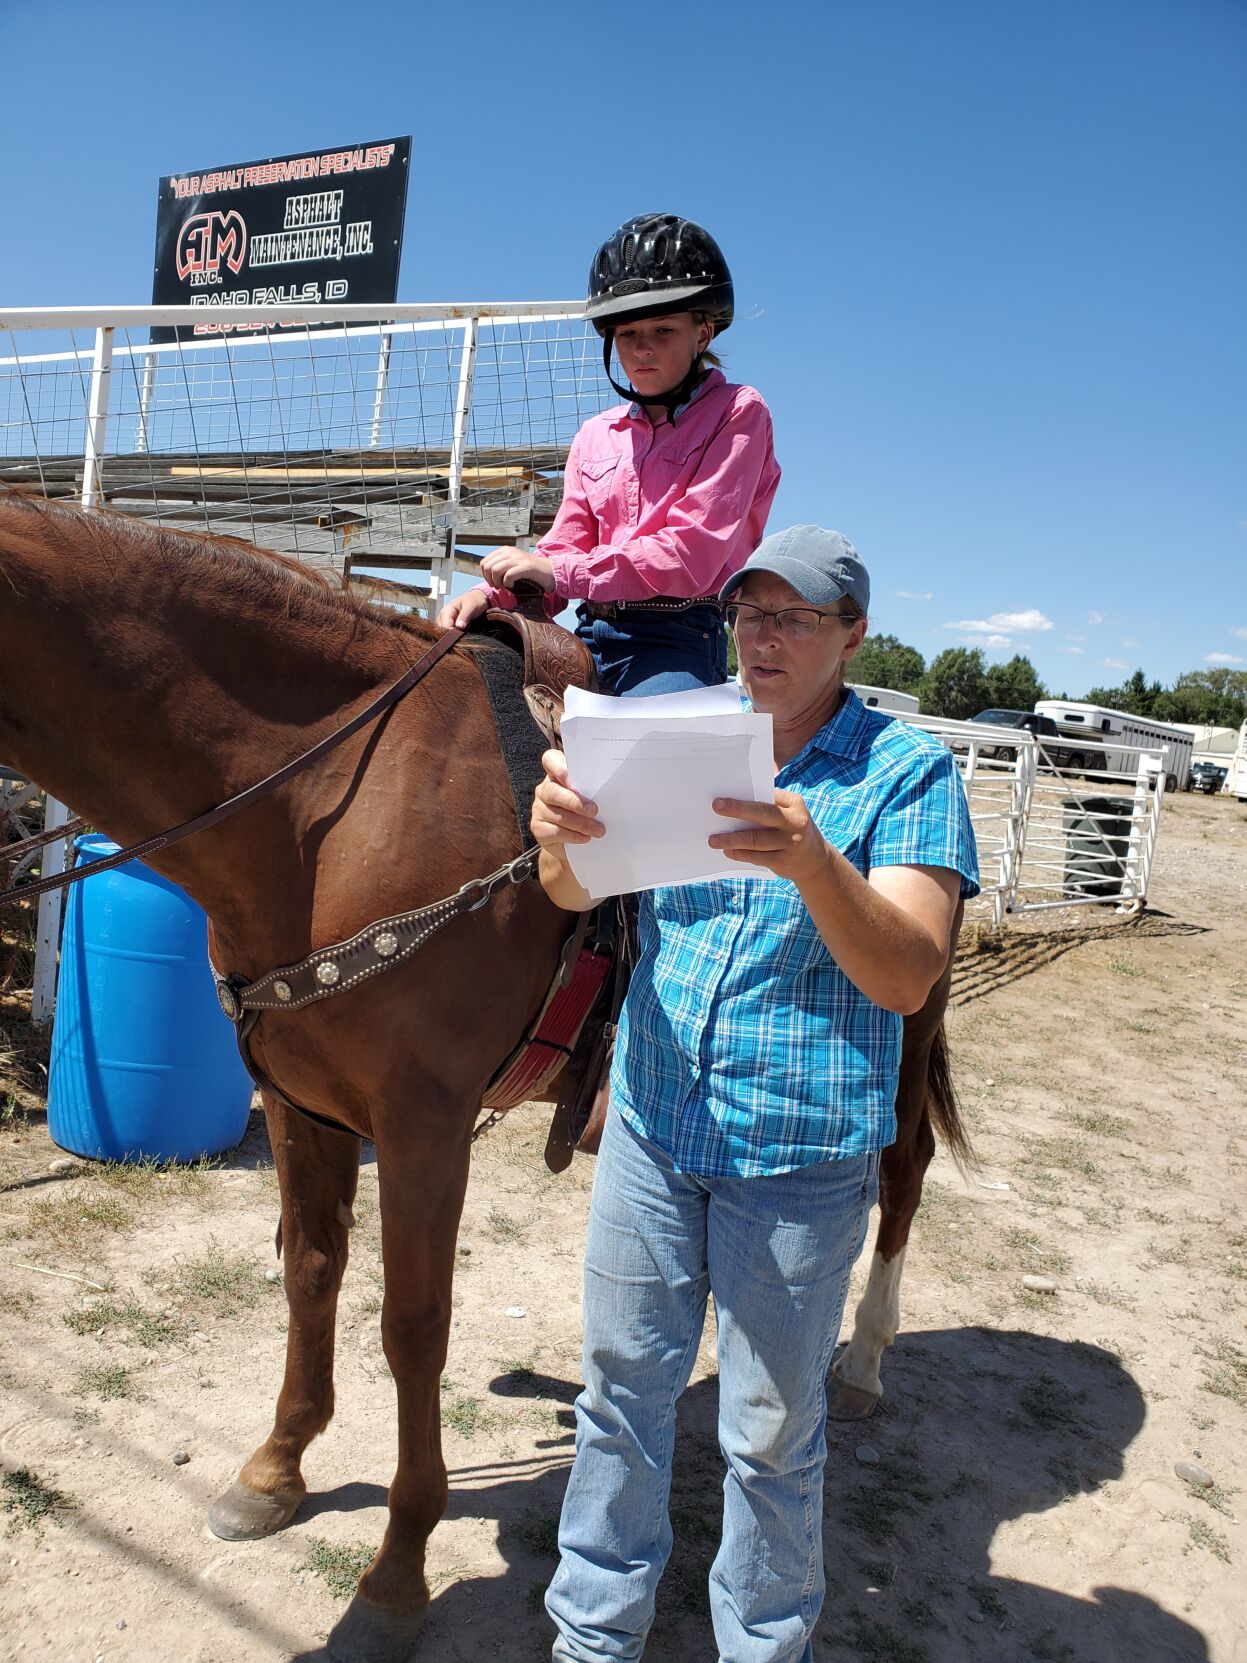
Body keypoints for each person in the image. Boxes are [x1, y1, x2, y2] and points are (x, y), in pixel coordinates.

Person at [529, 525, 980, 1662]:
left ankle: (763, 1645)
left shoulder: (904, 771)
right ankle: (591, 1635)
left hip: (799, 1154)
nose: (762, 636)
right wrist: (558, 837)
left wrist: (811, 860)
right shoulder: (676, 736)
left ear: (851, 635)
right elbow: (570, 883)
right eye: (748, 613)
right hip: (653, 1119)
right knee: (617, 1396)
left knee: (771, 1431)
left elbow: (905, 971)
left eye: (793, 616)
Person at [437, 213, 780, 696]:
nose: (642, 350)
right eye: (626, 335)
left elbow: (691, 555)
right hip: (588, 626)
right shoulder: (596, 434)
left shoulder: (739, 413)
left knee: (656, 760)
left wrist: (561, 570)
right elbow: (565, 544)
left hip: (674, 636)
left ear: (703, 331)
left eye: (662, 331)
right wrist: (489, 593)